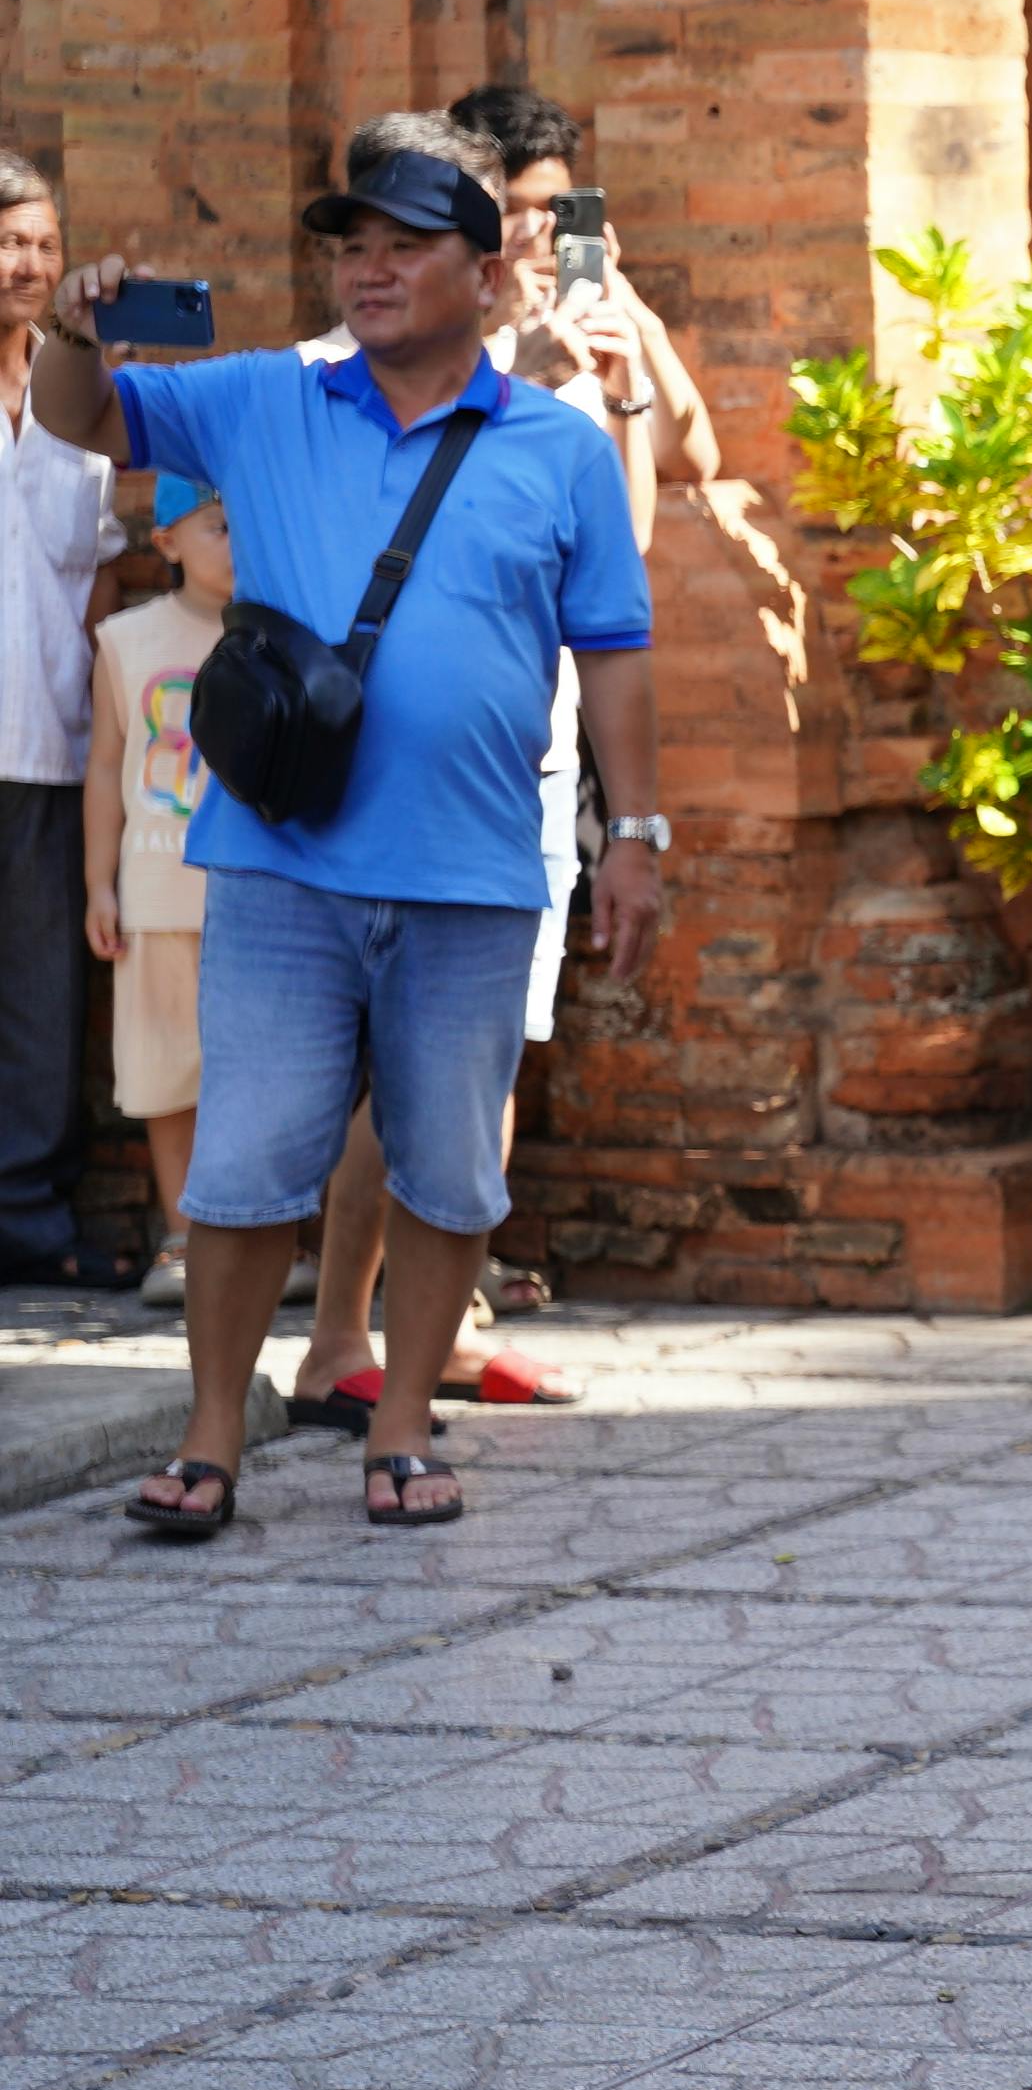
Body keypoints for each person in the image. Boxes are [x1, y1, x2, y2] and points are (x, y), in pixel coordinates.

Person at [38, 118, 668, 1538]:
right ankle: (216, 1436)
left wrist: (639, 835)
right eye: (352, 251)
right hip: (281, 863)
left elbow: (616, 649)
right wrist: (78, 327)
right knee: (247, 1163)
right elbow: (85, 417)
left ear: (489, 271)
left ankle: (398, 1425)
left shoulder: (559, 449)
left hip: (471, 871)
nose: (370, 273)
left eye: (405, 248)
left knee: (450, 1164)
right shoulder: (267, 398)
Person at [294, 87, 692, 1416]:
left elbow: (623, 560)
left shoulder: (585, 337)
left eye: (547, 210)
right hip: (404, 762)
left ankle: (425, 1319)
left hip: (538, 742)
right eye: (510, 211)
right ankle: (355, 1335)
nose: (532, 235)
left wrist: (619, 385)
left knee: (483, 1055)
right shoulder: (395, 352)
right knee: (401, 1066)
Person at [0, 160, 137, 1290]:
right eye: (9, 243)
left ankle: (32, 1219)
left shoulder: (73, 400)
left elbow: (97, 577)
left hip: (46, 738)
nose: (28, 265)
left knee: (44, 995)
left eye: (42, 244)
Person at [85, 484, 226, 1286]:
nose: (240, 541)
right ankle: (183, 1239)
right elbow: (106, 766)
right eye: (220, 526)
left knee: (264, 1077)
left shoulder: (282, 635)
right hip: (156, 893)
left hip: (258, 902)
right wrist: (99, 885)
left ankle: (271, 1240)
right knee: (168, 1073)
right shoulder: (126, 640)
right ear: (167, 541)